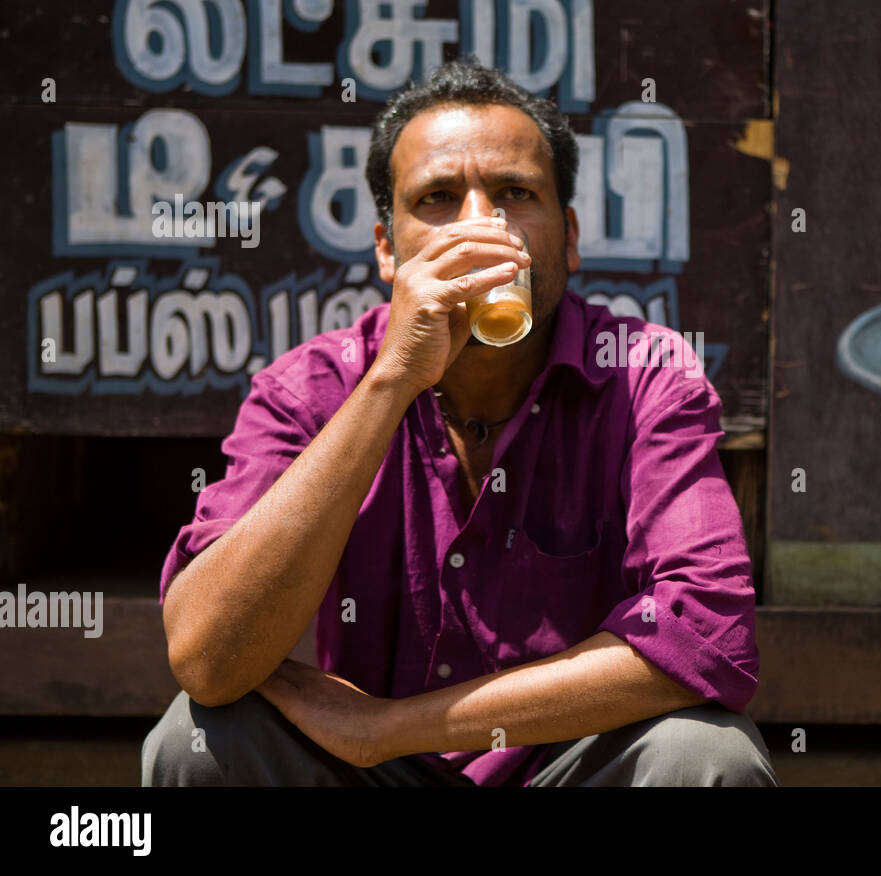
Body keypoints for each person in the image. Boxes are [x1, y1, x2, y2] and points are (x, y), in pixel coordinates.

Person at [141, 61, 776, 787]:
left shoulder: (645, 376)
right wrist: (392, 381)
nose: (482, 226)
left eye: (515, 194)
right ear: (387, 248)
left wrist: (389, 727)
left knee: (705, 758)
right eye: (439, 199)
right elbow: (204, 657)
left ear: (566, 237)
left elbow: (708, 635)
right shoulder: (309, 391)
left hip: (561, 761)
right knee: (196, 738)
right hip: (374, 778)